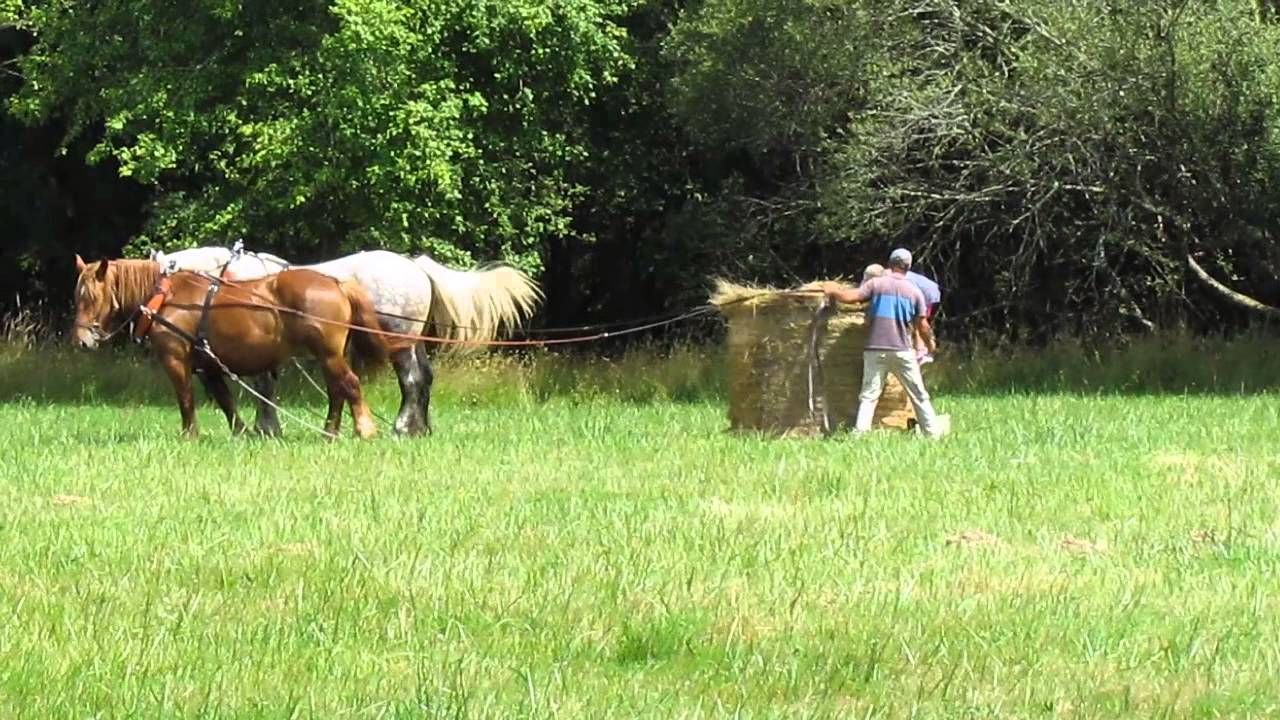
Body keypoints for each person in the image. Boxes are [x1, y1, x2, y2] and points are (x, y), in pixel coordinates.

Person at [823, 247, 945, 437]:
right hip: (902, 350)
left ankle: (860, 434)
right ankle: (932, 434)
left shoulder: (877, 284)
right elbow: (923, 325)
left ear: (890, 263)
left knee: (869, 395)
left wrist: (833, 291)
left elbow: (852, 297)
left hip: (875, 348)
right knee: (918, 394)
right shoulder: (914, 292)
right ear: (908, 267)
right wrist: (930, 345)